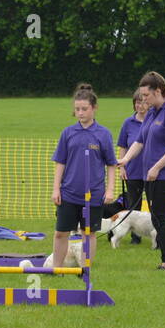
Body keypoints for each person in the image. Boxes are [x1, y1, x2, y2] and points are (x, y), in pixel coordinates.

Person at [116, 71, 165, 271]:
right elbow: (140, 140)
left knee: (161, 218)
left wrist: (156, 167)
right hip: (150, 175)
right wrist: (126, 159)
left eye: (146, 95)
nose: (143, 100)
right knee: (157, 217)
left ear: (158, 91)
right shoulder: (152, 112)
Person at [49, 83, 118, 269]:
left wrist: (110, 190)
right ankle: (57, 268)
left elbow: (111, 164)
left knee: (88, 233)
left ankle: (85, 269)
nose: (80, 113)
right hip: (68, 193)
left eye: (84, 109)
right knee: (60, 233)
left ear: (94, 108)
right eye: (77, 109)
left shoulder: (103, 134)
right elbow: (60, 162)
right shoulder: (68, 133)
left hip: (94, 194)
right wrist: (56, 189)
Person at [115, 90, 148, 244]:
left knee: (155, 205)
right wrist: (122, 167)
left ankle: (156, 234)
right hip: (133, 172)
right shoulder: (128, 123)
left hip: (153, 173)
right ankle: (136, 237)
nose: (140, 105)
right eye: (137, 102)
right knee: (134, 206)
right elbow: (122, 146)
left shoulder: (154, 121)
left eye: (143, 101)